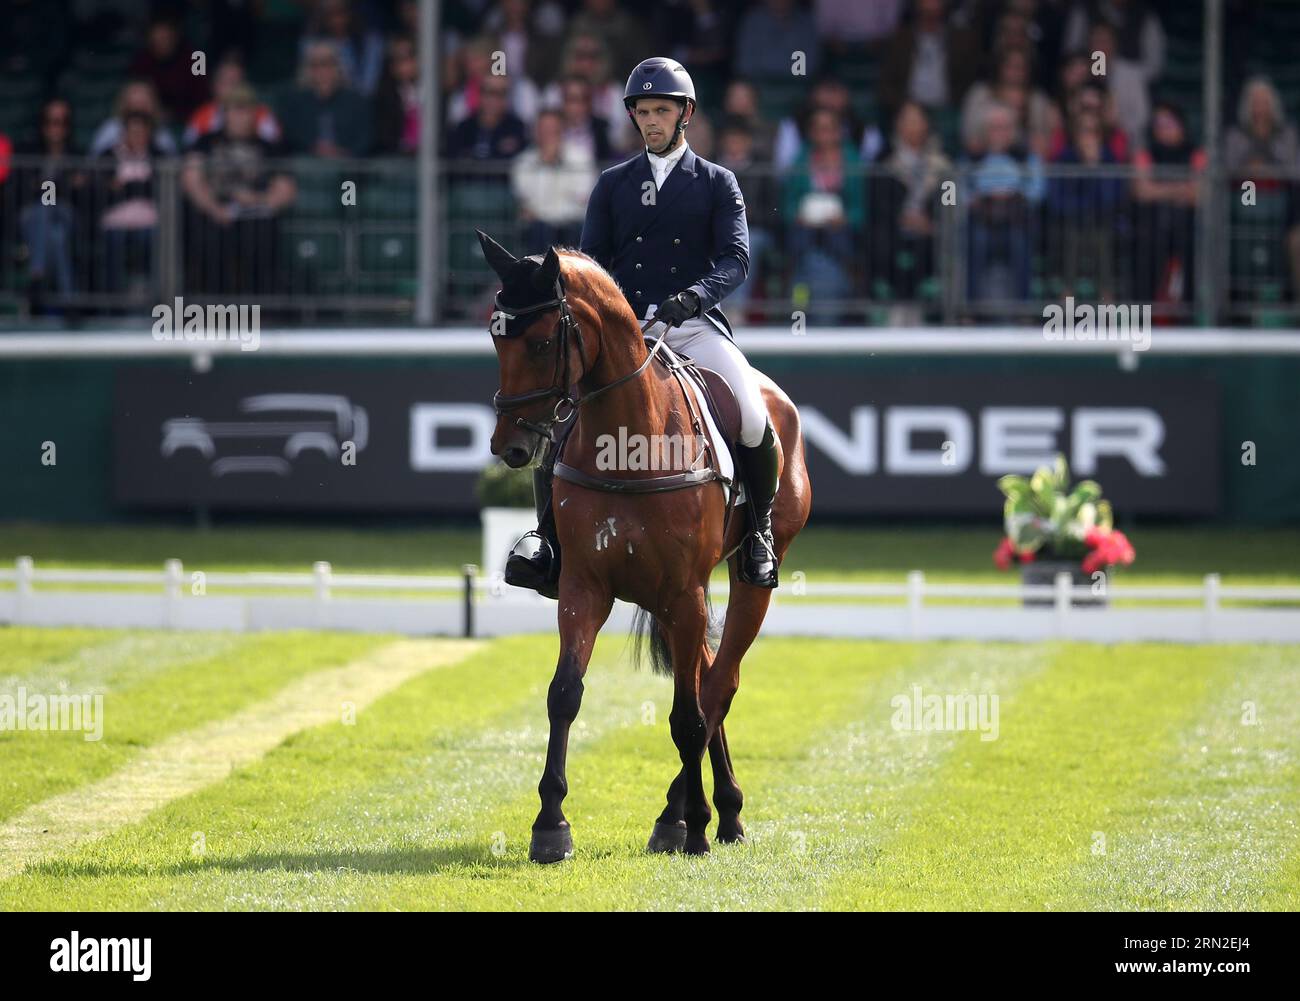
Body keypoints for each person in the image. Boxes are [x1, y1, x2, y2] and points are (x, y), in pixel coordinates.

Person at [504, 57, 782, 596]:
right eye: (644, 111)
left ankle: (759, 535)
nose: (651, 121)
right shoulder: (613, 185)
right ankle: (547, 542)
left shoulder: (717, 183)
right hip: (624, 331)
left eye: (662, 110)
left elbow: (736, 259)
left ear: (685, 115)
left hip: (694, 325)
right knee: (563, 419)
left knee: (751, 415)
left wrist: (695, 296)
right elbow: (591, 262)